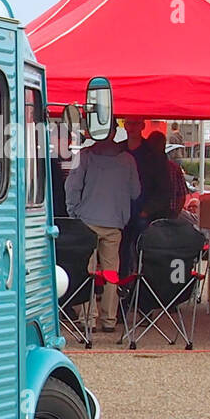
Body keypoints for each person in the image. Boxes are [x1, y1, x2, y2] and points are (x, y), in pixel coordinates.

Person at [65, 135, 141, 331]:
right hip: (114, 221)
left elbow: (72, 187)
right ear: (115, 132)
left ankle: (88, 318)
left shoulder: (85, 156)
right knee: (111, 273)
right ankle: (109, 319)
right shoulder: (127, 160)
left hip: (87, 220)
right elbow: (135, 192)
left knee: (87, 271)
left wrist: (73, 211)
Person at [121, 117, 170, 275]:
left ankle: (139, 288)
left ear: (142, 125)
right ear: (124, 125)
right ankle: (120, 286)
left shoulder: (154, 153)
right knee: (119, 253)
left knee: (141, 253)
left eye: (135, 123)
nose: (132, 127)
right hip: (118, 212)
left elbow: (164, 188)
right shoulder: (117, 151)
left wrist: (147, 210)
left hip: (143, 212)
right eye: (129, 123)